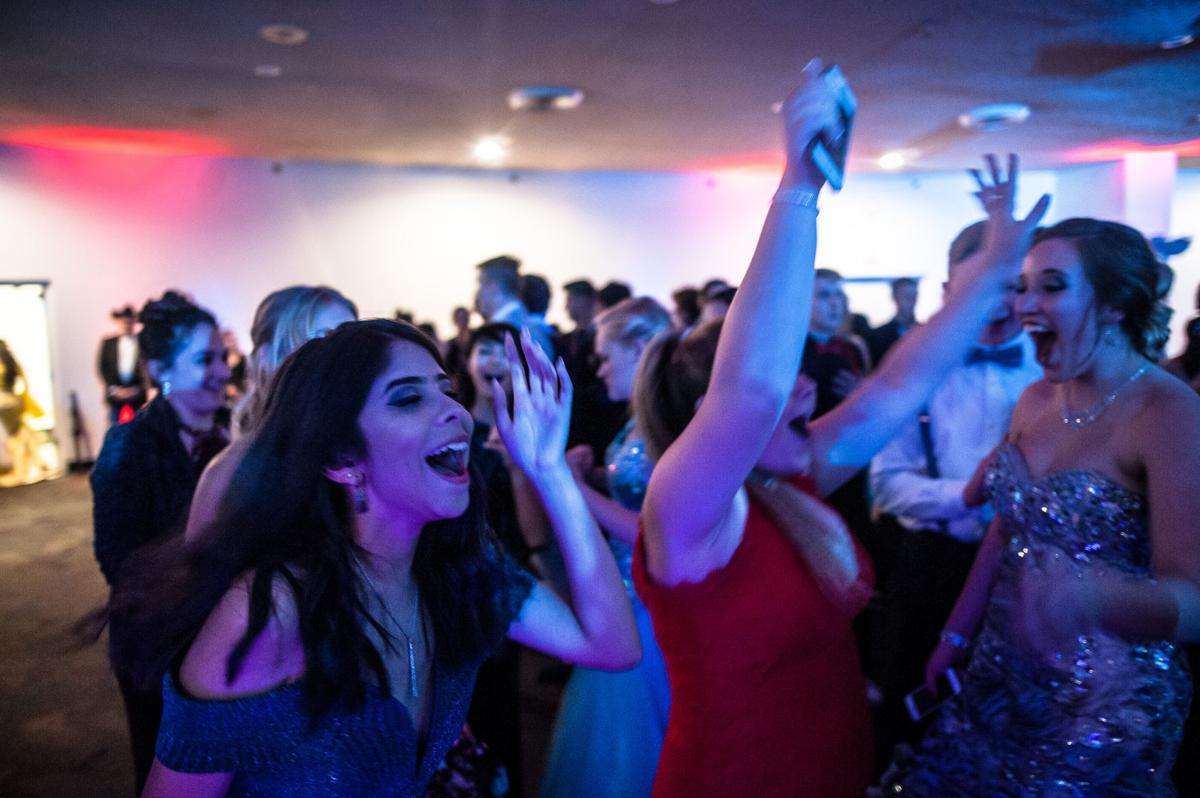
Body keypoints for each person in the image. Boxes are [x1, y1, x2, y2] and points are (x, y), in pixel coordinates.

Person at [631, 58, 1050, 797]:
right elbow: (754, 389)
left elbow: (899, 383)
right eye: (784, 373)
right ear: (707, 424)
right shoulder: (688, 511)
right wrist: (798, 186)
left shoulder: (792, 480)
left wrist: (992, 268)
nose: (802, 386)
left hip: (834, 767)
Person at [108, 320, 638, 797]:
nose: (454, 410)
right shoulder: (272, 611)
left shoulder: (460, 571)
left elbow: (610, 645)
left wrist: (549, 470)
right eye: (408, 399)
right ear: (341, 459)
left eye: (446, 391)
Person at [881, 217, 1200, 796]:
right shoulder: (1034, 399)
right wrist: (956, 636)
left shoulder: (1168, 413)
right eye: (1022, 285)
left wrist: (1091, 597)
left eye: (1050, 286)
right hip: (1001, 670)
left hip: (1101, 704)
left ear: (1115, 305)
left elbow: (1194, 602)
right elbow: (1008, 528)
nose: (1025, 302)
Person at [867, 220, 1042, 764]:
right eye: (978, 288)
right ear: (948, 294)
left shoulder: (1053, 369)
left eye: (1011, 286)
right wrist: (960, 496)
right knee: (916, 718)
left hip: (1029, 575)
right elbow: (885, 483)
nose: (999, 303)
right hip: (933, 565)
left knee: (1018, 728)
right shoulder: (916, 367)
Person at [90, 290, 232, 795]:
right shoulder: (130, 447)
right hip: (157, 642)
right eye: (204, 360)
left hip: (224, 637)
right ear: (161, 368)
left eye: (222, 356)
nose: (221, 371)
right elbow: (117, 559)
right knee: (166, 763)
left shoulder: (230, 439)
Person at [540, 297, 673, 798]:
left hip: (646, 605)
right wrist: (595, 475)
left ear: (639, 348)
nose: (599, 368)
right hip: (625, 591)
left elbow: (655, 530)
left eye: (604, 355)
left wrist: (572, 487)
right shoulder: (638, 419)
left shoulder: (666, 423)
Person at [803, 268, 868, 417]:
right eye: (824, 295)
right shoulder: (792, 351)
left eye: (838, 295)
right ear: (805, 300)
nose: (834, 303)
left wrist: (860, 393)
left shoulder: (852, 349)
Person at [475, 255, 555, 357]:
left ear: (493, 287)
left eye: (480, 284)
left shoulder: (511, 331)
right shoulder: (531, 329)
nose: (478, 292)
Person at [97, 305, 147, 426]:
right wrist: (114, 389)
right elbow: (102, 368)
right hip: (115, 396)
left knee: (139, 429)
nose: (126, 325)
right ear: (118, 322)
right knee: (114, 429)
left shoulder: (142, 342)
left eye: (130, 322)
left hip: (137, 396)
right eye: (124, 321)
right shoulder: (108, 343)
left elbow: (147, 368)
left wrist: (138, 388)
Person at [866, 277, 920, 364]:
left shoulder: (927, 332)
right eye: (907, 296)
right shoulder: (877, 336)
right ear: (894, 297)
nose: (912, 301)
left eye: (914, 296)